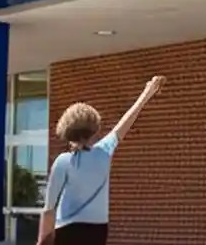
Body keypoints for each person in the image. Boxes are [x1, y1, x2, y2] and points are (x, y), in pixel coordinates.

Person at [37, 76, 166, 245]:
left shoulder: (63, 162)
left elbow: (49, 209)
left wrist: (41, 241)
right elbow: (126, 121)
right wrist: (148, 92)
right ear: (94, 128)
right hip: (98, 230)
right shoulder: (104, 152)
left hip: (68, 230)